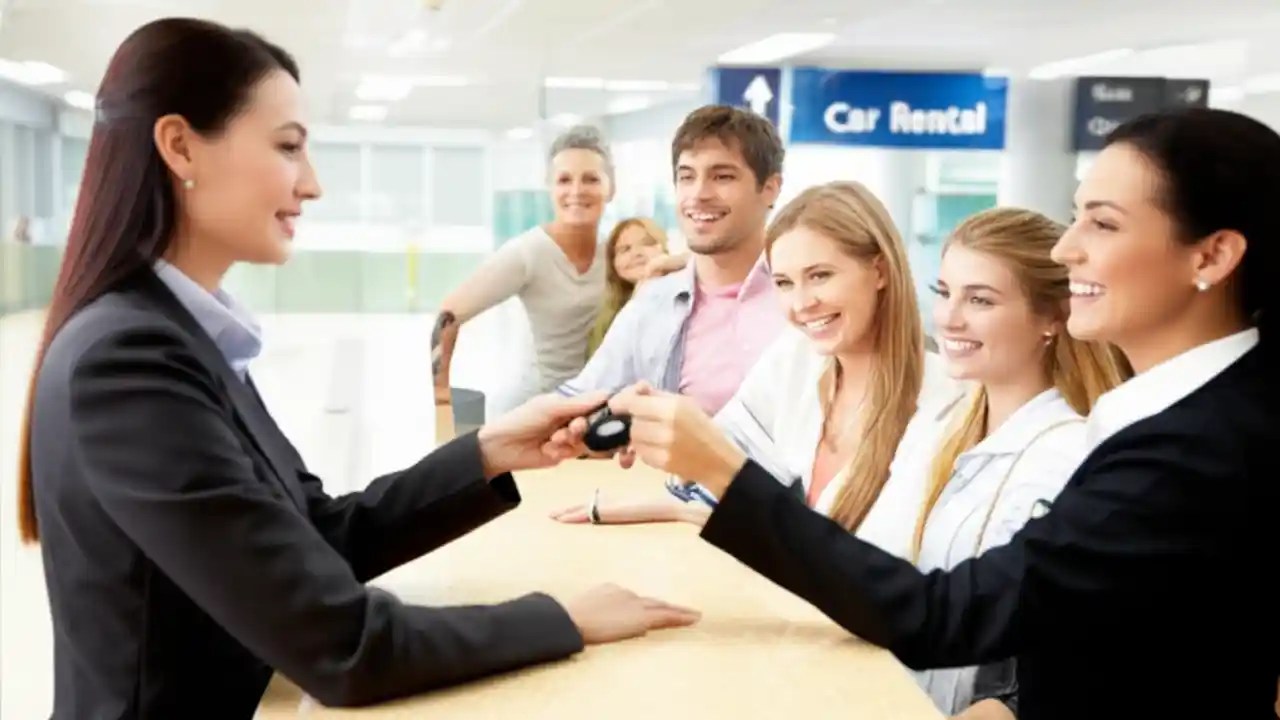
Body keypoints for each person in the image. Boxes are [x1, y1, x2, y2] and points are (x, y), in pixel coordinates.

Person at [15, 19, 697, 719]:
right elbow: (341, 644)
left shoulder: (180, 337)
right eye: (287, 148)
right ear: (180, 145)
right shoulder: (127, 363)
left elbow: (315, 535)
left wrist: (490, 451)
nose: (310, 185)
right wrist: (562, 619)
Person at [600, 108, 1280, 719]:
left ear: (1213, 255)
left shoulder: (1195, 453)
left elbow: (947, 615)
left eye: (1102, 223)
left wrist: (725, 475)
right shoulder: (1177, 419)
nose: (1068, 247)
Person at [552, 181, 955, 528]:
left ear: (880, 271)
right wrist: (666, 454)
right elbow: (720, 473)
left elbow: (852, 555)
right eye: (784, 282)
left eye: (820, 276)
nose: (802, 304)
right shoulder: (796, 358)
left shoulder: (948, 399)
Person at [894, 208, 1128, 718]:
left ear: (1052, 318)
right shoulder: (946, 423)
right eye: (944, 292)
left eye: (979, 299)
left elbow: (1046, 656)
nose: (949, 317)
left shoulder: (1067, 455)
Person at [555, 105, 788, 417]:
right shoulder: (654, 302)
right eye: (687, 177)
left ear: (770, 189)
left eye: (722, 176)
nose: (699, 194)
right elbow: (580, 398)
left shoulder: (803, 300)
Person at [431, 125, 619, 408]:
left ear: (611, 188)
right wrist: (442, 397)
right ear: (550, 189)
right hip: (527, 412)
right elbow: (448, 315)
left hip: (585, 414)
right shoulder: (529, 252)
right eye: (564, 180)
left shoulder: (616, 254)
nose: (576, 191)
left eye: (591, 179)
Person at [586, 216, 670, 359]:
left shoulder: (682, 299)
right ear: (613, 264)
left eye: (647, 243)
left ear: (664, 250)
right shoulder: (607, 317)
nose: (637, 253)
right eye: (625, 249)